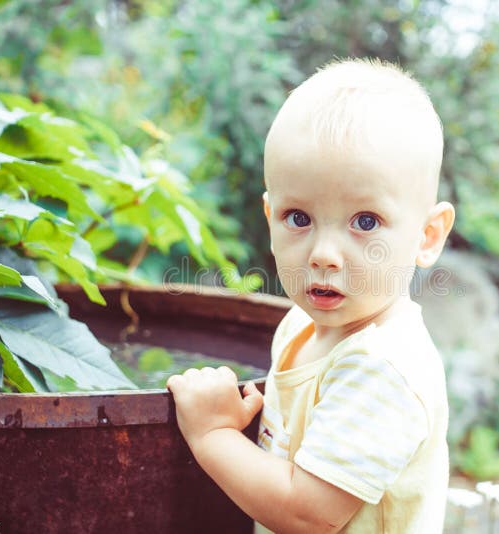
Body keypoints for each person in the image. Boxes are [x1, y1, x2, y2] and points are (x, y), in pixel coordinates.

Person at [166, 58, 455, 533]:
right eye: (298, 218)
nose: (323, 255)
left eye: (365, 222)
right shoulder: (301, 324)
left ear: (427, 235)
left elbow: (307, 514)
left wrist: (213, 433)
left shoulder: (382, 367)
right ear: (270, 217)